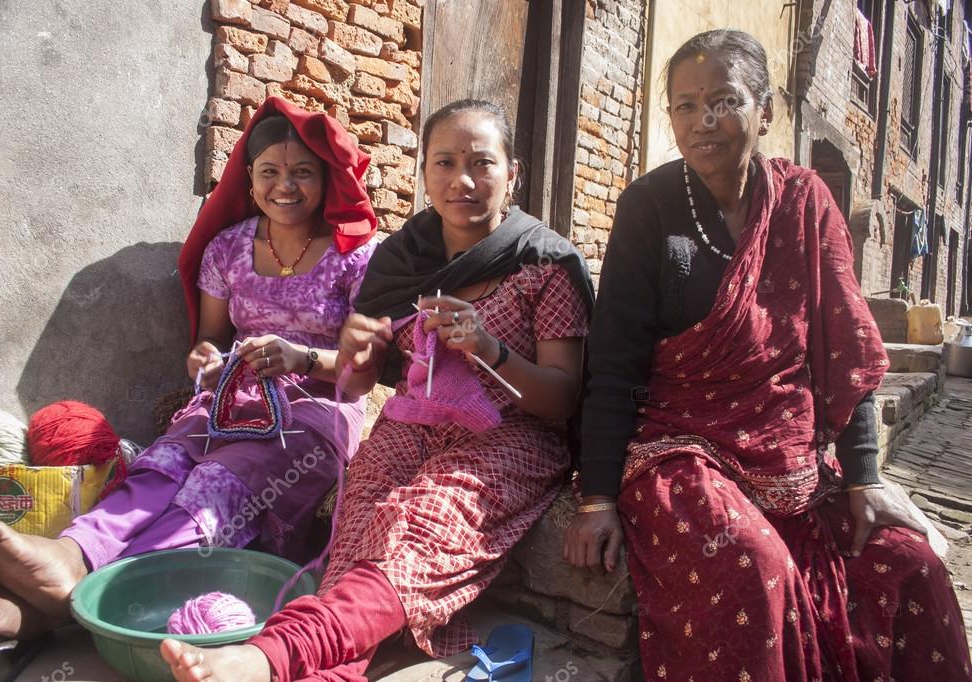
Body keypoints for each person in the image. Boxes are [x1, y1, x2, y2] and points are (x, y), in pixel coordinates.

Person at [563, 29, 972, 681]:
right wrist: (596, 500)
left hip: (793, 463)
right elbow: (612, 364)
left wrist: (863, 477)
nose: (703, 122)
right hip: (680, 450)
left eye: (724, 101)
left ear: (766, 110)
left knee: (909, 561)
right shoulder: (649, 206)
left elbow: (847, 351)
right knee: (758, 570)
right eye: (685, 106)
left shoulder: (805, 202)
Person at [159, 99, 594, 681]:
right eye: (444, 162)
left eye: (482, 163)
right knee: (361, 526)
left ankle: (271, 657)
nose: (461, 180)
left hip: (511, 439)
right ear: (424, 172)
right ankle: (331, 671)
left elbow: (562, 400)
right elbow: (361, 381)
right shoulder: (400, 258)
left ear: (512, 173)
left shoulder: (545, 263)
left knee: (420, 525)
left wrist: (488, 349)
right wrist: (360, 356)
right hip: (412, 425)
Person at [0, 98, 378, 640]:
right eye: (270, 171)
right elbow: (209, 340)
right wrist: (202, 360)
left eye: (302, 172)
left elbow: (365, 367)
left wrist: (301, 358)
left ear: (325, 178)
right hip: (230, 399)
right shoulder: (227, 249)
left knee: (215, 484)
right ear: (249, 180)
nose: (285, 186)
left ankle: (79, 599)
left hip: (315, 409)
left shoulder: (357, 254)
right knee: (164, 465)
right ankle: (68, 553)